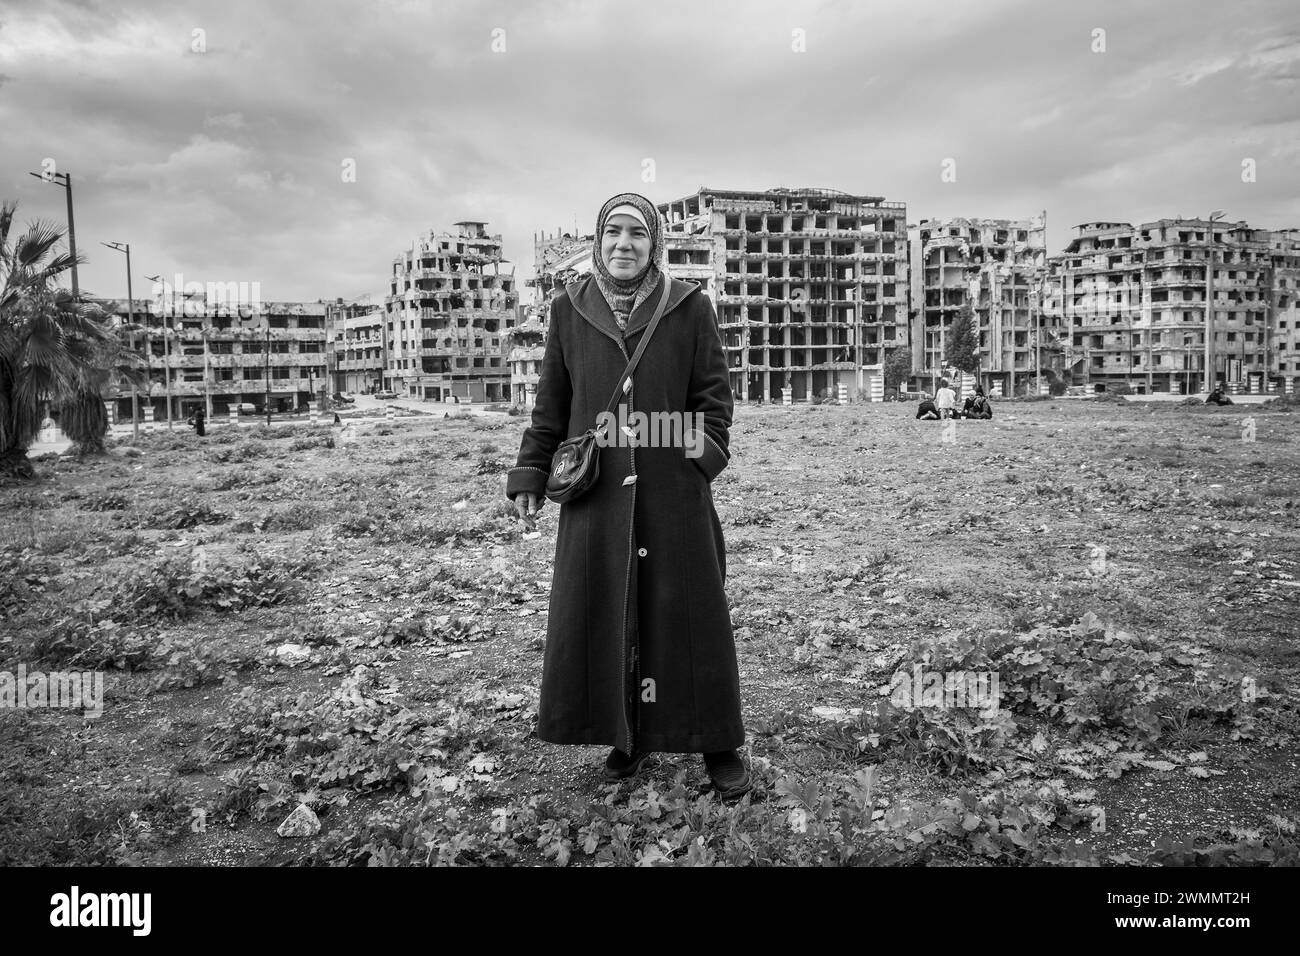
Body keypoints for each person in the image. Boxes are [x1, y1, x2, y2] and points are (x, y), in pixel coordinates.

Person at [506, 192, 750, 800]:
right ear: (598, 239)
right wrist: (531, 472)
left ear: (655, 242)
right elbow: (552, 404)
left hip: (674, 494)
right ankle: (627, 733)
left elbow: (713, 401)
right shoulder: (569, 308)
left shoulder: (689, 306)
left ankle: (717, 740)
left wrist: (698, 459)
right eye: (613, 232)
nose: (624, 244)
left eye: (637, 233)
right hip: (598, 495)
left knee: (689, 614)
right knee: (611, 609)